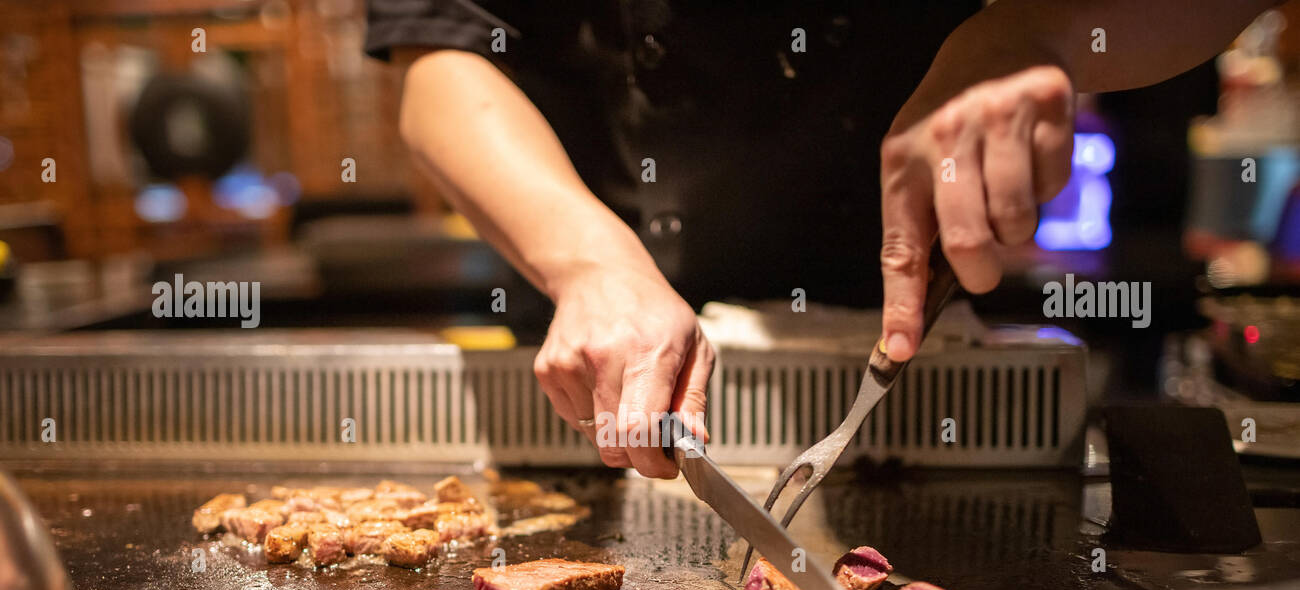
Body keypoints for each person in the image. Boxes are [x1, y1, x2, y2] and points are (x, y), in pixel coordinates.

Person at [366, 0, 1271, 478]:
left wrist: (1039, 30)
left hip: (912, 348)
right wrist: (591, 264)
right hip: (594, 328)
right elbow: (439, 57)